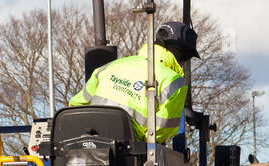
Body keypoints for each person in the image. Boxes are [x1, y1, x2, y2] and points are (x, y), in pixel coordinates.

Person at [68, 20, 199, 144]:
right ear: (181, 55)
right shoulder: (174, 84)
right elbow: (160, 131)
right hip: (127, 160)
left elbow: (76, 106)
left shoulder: (109, 67)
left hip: (86, 150)